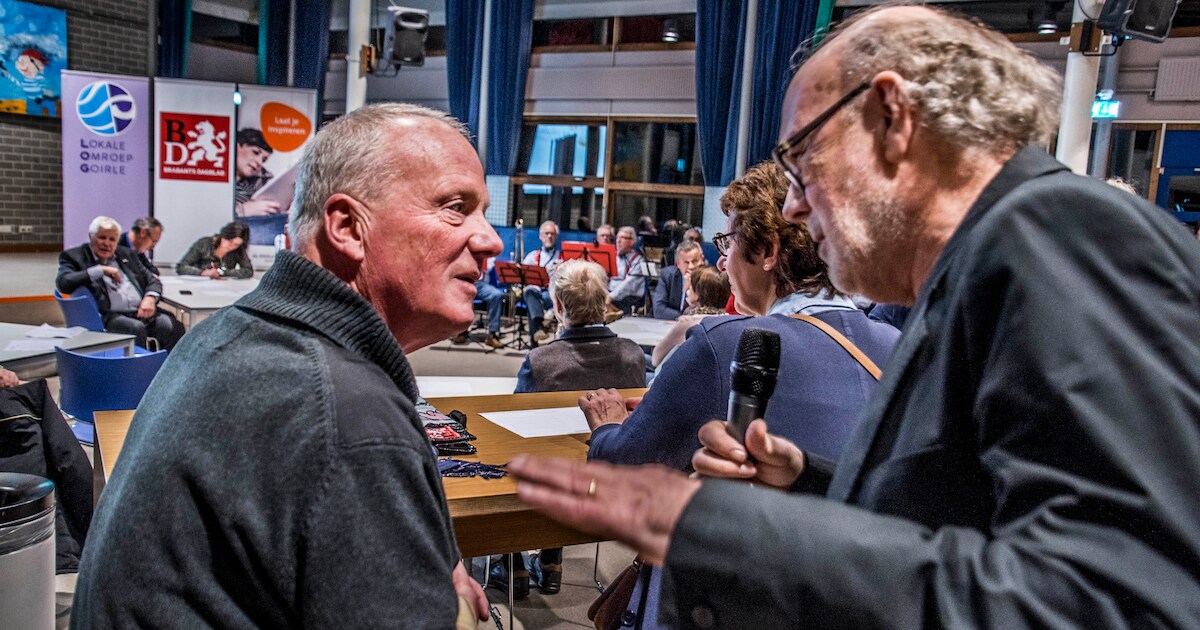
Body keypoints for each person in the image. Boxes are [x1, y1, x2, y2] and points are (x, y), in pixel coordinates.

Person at [508, 6, 1200, 628]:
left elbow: (1121, 598)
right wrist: (809, 481)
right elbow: (985, 520)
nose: (790, 208)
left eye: (802, 156)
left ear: (892, 116)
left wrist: (730, 530)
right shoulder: (981, 266)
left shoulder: (1061, 235)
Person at [71, 103, 500, 628]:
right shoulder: (347, 414)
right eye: (456, 207)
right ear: (346, 226)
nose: (490, 240)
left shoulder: (226, 334)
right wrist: (451, 599)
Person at [581, 162, 898, 629]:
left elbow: (622, 471)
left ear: (767, 251)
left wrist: (608, 424)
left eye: (727, 244)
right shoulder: (897, 345)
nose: (723, 261)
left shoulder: (725, 343)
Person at [508, 259, 645, 598]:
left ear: (557, 305)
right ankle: (551, 562)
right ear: (605, 303)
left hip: (549, 483)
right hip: (615, 482)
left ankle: (512, 564)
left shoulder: (542, 360)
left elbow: (512, 426)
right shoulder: (633, 355)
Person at [57, 216, 184, 351]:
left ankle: (169, 369)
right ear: (91, 237)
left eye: (112, 239)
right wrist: (100, 270)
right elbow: (63, 283)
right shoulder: (75, 256)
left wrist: (150, 298)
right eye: (102, 237)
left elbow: (152, 280)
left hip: (140, 311)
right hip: (110, 316)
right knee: (135, 328)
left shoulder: (126, 254)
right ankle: (136, 369)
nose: (107, 243)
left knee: (172, 326)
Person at [649, 264, 729, 369]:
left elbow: (656, 359)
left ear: (698, 294)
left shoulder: (687, 323)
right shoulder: (728, 320)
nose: (687, 290)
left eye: (690, 287)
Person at [521, 220, 562, 345]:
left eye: (552, 234)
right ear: (540, 236)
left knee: (533, 303)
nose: (549, 236)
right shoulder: (533, 255)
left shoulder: (561, 256)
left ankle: (537, 331)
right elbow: (522, 274)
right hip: (536, 293)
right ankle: (540, 326)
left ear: (556, 237)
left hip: (553, 294)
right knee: (529, 292)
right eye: (546, 233)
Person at [451, 257, 505, 349]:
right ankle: (462, 330)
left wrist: (482, 258)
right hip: (465, 282)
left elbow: (488, 268)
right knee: (463, 294)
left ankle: (492, 334)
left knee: (497, 295)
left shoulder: (490, 256)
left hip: (481, 284)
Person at [176, 221, 254, 279]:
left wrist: (222, 272)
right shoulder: (204, 244)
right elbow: (181, 267)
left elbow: (248, 271)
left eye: (236, 244)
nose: (231, 246)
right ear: (223, 236)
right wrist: (203, 273)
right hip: (199, 284)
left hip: (224, 287)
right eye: (230, 241)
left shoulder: (238, 250)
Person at [651, 240, 705, 320]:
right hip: (672, 325)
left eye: (695, 261)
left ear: (702, 260)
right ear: (678, 264)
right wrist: (683, 318)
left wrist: (692, 288)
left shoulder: (709, 278)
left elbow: (710, 312)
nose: (691, 267)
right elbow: (658, 309)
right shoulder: (668, 276)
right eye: (686, 262)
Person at [233, 128, 279, 217]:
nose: (259, 162)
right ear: (237, 146)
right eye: (255, 152)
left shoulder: (257, 184)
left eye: (264, 159)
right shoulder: (215, 179)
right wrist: (241, 211)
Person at [608, 226, 645, 315]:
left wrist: (610, 297)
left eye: (623, 238)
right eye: (617, 237)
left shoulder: (639, 260)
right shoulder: (611, 256)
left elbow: (628, 284)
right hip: (609, 294)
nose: (618, 241)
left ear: (632, 241)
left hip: (627, 298)